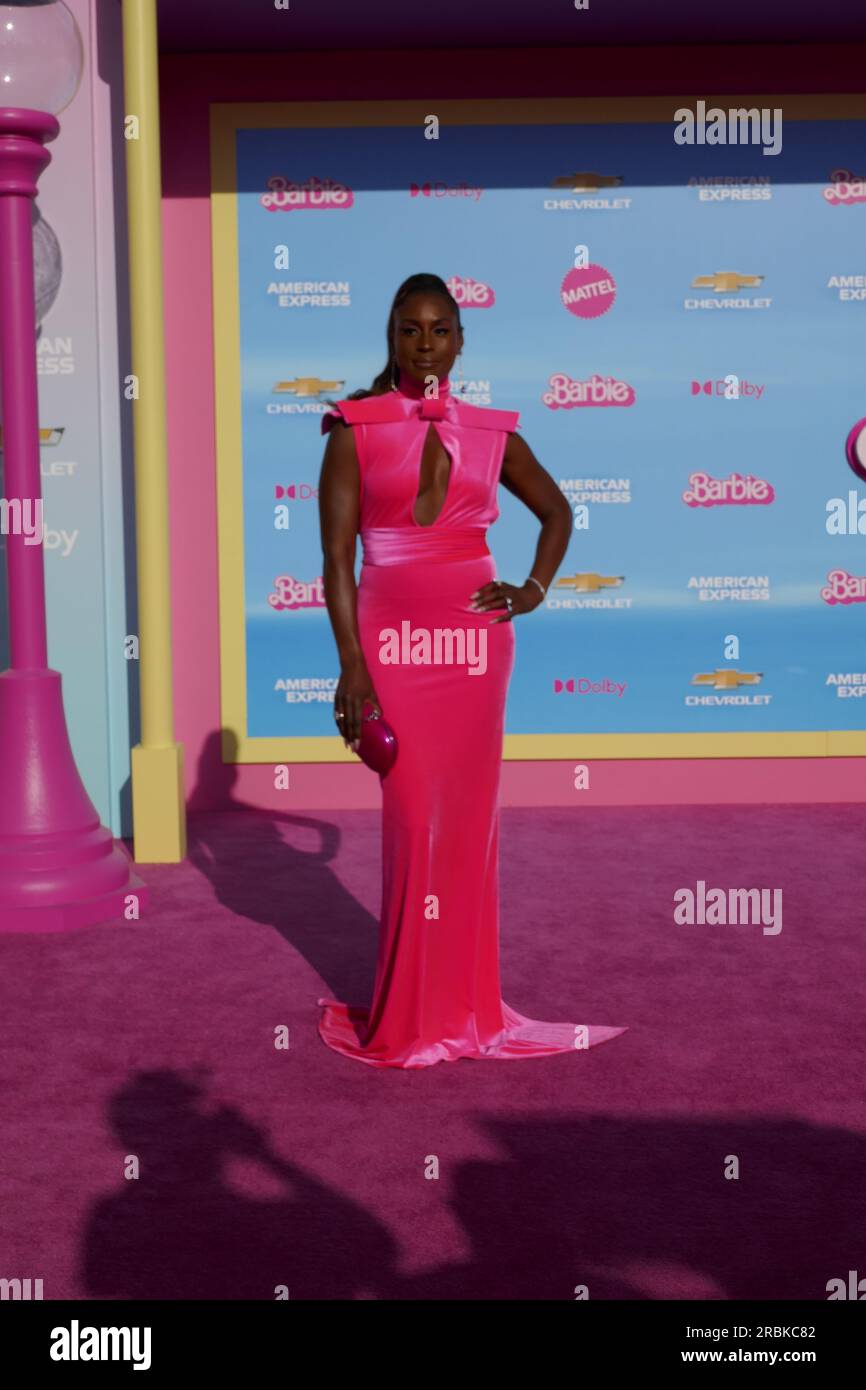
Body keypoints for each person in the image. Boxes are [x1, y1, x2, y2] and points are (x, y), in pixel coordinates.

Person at [316, 272, 626, 1068]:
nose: (425, 346)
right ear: (391, 336)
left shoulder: (493, 434)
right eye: (410, 330)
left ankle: (462, 1008)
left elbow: (559, 512)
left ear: (461, 341)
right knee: (413, 818)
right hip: (393, 646)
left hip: (476, 648)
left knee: (467, 829)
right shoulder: (352, 428)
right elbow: (336, 562)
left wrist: (531, 589)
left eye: (441, 331)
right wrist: (353, 667)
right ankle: (413, 1019)